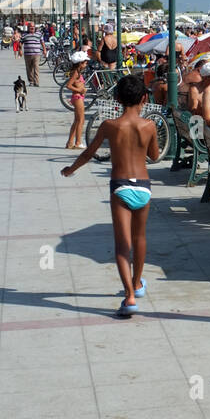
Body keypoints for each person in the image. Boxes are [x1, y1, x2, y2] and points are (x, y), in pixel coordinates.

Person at [61, 75, 161, 317]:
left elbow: (89, 153)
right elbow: (155, 156)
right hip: (143, 186)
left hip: (120, 186)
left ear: (116, 99)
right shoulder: (149, 126)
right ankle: (137, 284)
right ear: (145, 98)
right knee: (140, 238)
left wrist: (70, 169)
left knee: (121, 244)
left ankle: (128, 296)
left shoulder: (109, 126)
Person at [64, 58, 87, 149]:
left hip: (78, 97)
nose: (86, 65)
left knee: (77, 120)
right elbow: (68, 85)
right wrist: (80, 90)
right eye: (84, 63)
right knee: (81, 120)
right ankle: (78, 142)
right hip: (77, 97)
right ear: (79, 64)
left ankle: (70, 142)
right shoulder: (75, 73)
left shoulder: (77, 72)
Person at [21, 22, 44, 87]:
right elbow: (21, 42)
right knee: (29, 68)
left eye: (33, 26)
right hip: (27, 54)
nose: (32, 28)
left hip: (36, 54)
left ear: (35, 27)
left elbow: (42, 42)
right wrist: (20, 50)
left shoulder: (39, 34)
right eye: (30, 27)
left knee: (36, 67)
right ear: (28, 27)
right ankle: (31, 81)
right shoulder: (24, 35)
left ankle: (36, 82)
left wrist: (44, 50)